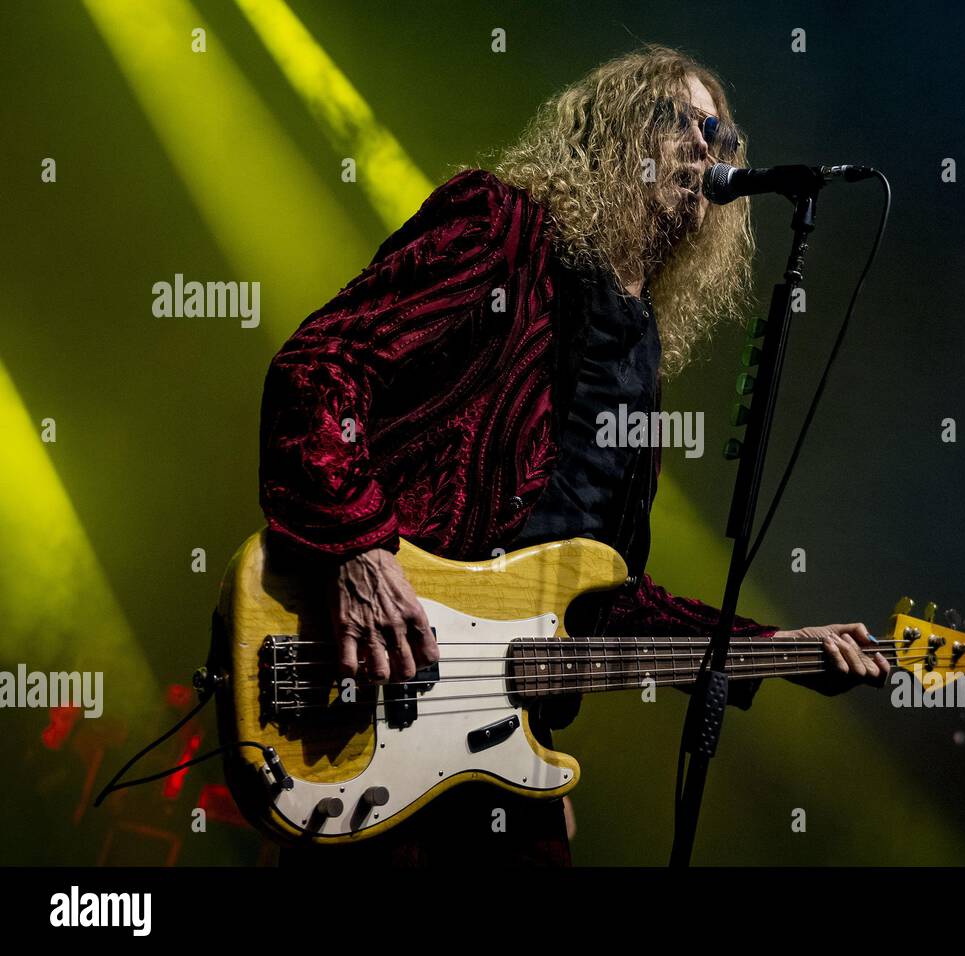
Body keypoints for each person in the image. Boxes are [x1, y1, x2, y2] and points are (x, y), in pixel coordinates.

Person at [260, 45, 889, 867]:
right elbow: (319, 371)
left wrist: (778, 647)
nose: (710, 149)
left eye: (723, 135)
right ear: (615, 134)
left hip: (496, 746)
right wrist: (358, 549)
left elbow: (605, 598)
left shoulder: (640, 349)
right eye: (683, 124)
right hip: (376, 673)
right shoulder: (501, 229)